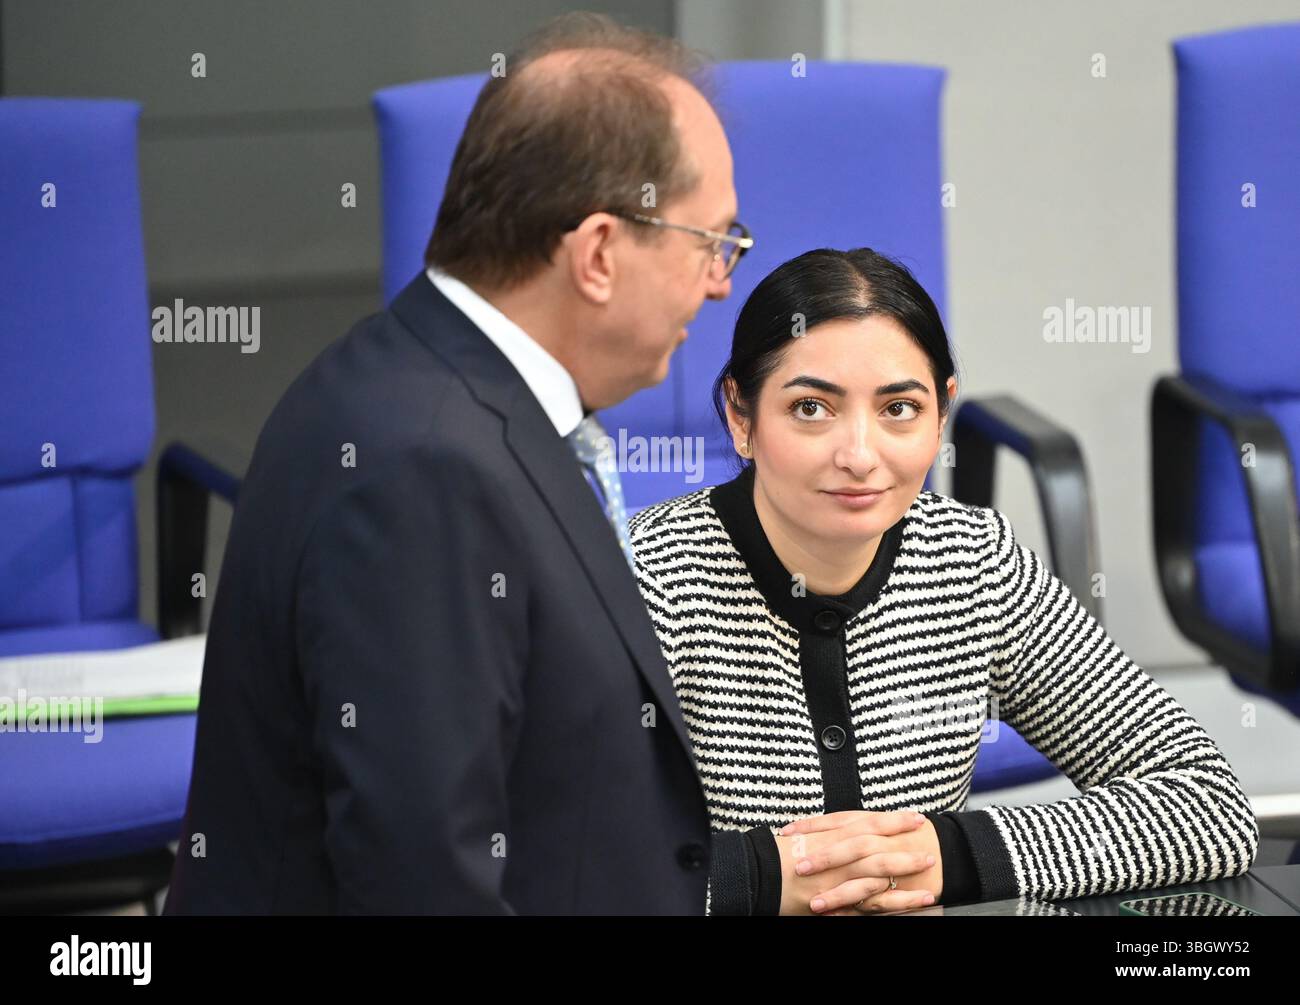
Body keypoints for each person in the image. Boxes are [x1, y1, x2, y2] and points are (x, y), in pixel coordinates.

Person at [165, 12, 746, 914]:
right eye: (710, 242)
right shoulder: (423, 469)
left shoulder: (429, 386)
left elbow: (554, 785)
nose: (720, 282)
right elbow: (424, 880)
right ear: (598, 252)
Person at [628, 247, 1260, 916]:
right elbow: (549, 858)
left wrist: (949, 855)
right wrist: (755, 877)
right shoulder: (649, 576)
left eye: (899, 407)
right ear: (741, 415)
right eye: (812, 408)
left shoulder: (974, 562)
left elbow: (1208, 801)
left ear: (942, 413)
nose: (860, 455)